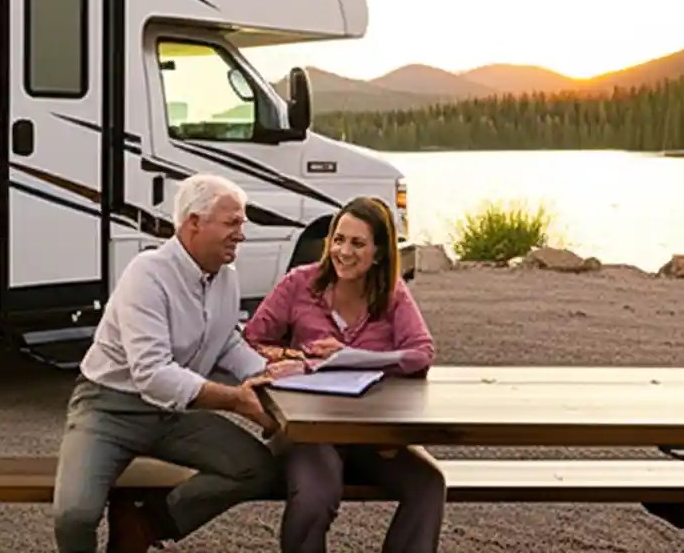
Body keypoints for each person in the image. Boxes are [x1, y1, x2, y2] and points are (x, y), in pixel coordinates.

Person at [52, 173, 306, 552]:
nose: (241, 233)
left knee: (258, 469)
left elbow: (224, 343)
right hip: (108, 410)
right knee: (74, 515)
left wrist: (264, 375)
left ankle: (146, 524)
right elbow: (153, 374)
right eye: (232, 222)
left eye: (242, 223)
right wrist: (237, 400)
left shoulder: (226, 277)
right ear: (193, 223)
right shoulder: (147, 274)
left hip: (174, 414)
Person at [242, 195, 445, 553]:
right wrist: (301, 360)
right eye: (338, 239)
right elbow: (252, 340)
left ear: (379, 253)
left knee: (428, 483)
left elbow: (421, 353)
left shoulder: (393, 295)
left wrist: (352, 357)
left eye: (357, 243)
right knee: (317, 494)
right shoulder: (298, 284)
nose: (344, 251)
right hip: (309, 432)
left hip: (371, 434)